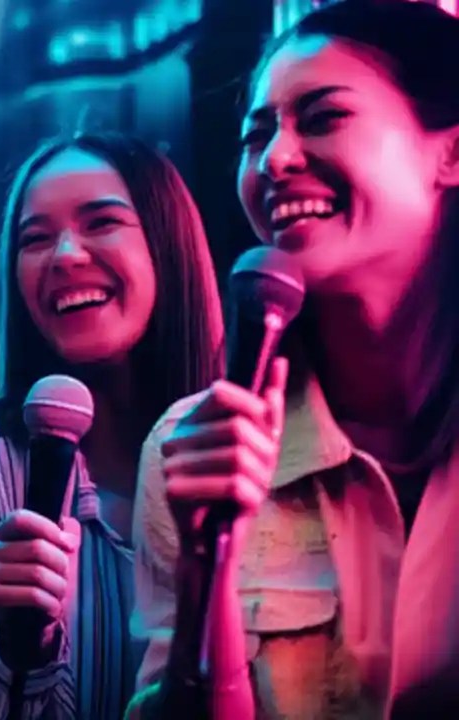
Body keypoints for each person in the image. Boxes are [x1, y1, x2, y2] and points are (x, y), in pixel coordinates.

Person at [128, 1, 459, 717]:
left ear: (451, 154)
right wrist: (204, 570)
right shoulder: (190, 446)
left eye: (323, 116)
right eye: (256, 135)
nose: (274, 159)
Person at [0, 133, 223, 719]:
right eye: (35, 238)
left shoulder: (239, 445)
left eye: (102, 222)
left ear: (168, 247)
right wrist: (24, 649)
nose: (65, 255)